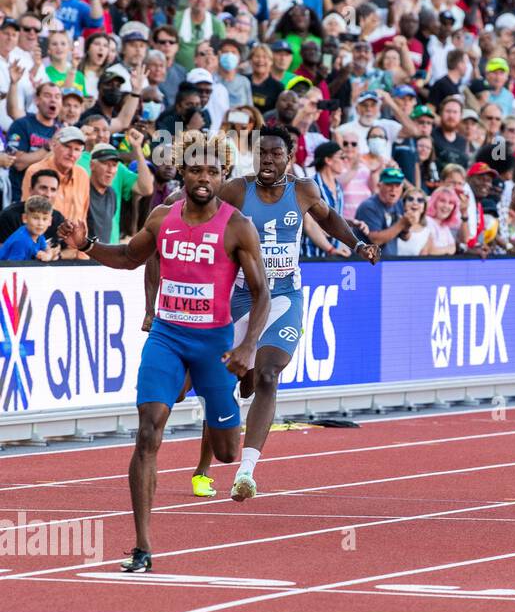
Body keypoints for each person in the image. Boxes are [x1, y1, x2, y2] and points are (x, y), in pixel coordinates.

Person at [57, 131, 269, 572]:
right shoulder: (161, 218)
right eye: (196, 170)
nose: (204, 178)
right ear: (183, 172)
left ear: (223, 174)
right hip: (168, 338)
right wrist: (88, 245)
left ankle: (227, 398)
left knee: (228, 453)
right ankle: (142, 546)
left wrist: (248, 346)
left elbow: (260, 292)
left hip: (214, 343)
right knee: (149, 430)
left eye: (212, 171)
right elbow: (130, 257)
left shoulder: (237, 226)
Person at [154, 126, 380, 500]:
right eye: (262, 154)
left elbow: (327, 217)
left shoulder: (304, 190)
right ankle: (202, 469)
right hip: (239, 297)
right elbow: (196, 200)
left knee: (269, 376)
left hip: (284, 299)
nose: (268, 161)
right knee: (218, 384)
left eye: (276, 154)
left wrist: (357, 243)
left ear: (289, 158)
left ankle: (246, 472)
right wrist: (169, 211)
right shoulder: (237, 190)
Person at [0, 195, 60, 261]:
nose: (40, 223)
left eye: (45, 219)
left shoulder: (38, 235)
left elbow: (46, 248)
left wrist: (48, 255)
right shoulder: (21, 241)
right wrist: (46, 256)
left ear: (50, 221)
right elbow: (13, 267)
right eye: (35, 218)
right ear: (25, 218)